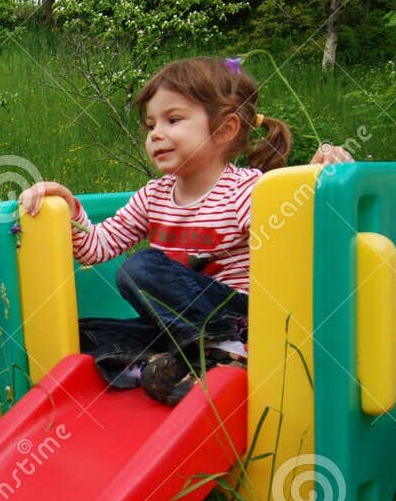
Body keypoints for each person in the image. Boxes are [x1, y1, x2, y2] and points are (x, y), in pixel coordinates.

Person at [19, 56, 351, 405]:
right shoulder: (153, 196)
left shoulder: (247, 192)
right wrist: (70, 208)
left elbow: (297, 238)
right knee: (80, 334)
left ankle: (228, 350)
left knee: (140, 268)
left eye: (173, 119)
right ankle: (167, 364)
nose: (156, 134)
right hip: (178, 329)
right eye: (150, 125)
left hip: (240, 320)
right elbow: (95, 248)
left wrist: (317, 180)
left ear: (225, 129)